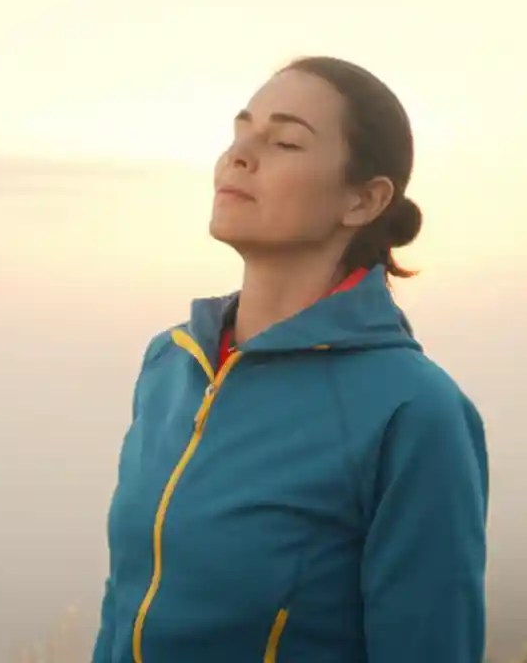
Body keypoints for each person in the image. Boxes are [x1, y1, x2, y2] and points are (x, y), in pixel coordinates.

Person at [92, 56, 489, 663]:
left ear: (363, 200)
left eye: (283, 142)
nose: (239, 156)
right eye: (240, 132)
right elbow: (124, 600)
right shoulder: (170, 364)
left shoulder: (413, 411)